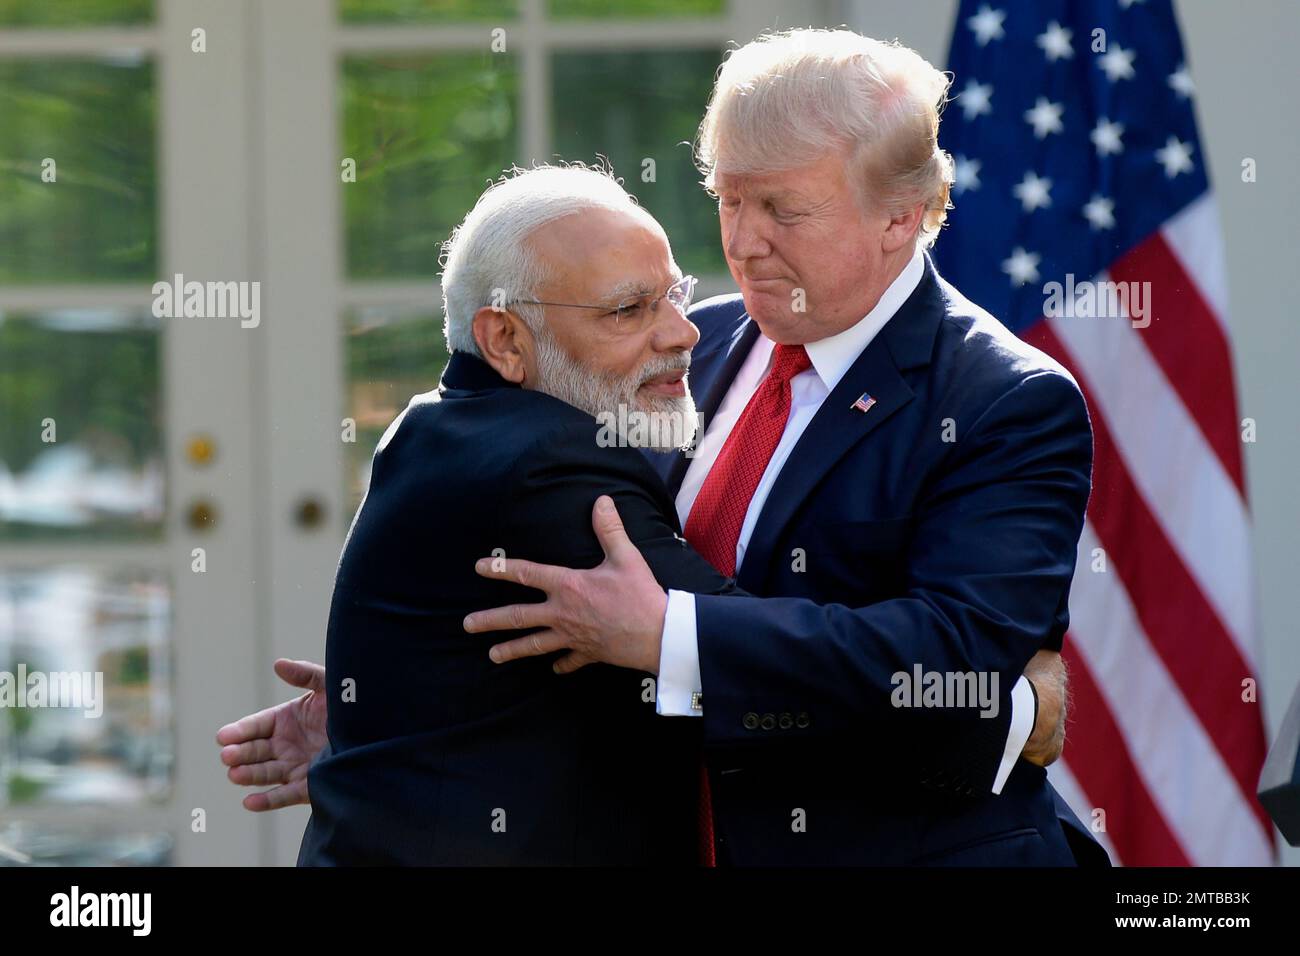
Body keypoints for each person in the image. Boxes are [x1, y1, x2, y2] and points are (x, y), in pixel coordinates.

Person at [218, 162, 1071, 865]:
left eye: (674, 293)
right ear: (505, 340)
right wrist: (1004, 715)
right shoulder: (548, 467)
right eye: (630, 310)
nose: (683, 334)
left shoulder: (442, 422)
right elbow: (727, 651)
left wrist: (401, 710)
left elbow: (627, 672)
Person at [463, 29, 1108, 866]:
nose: (743, 241)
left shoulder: (1008, 402)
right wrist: (391, 704)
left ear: (900, 215)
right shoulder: (693, 341)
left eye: (783, 209)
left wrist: (673, 636)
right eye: (728, 198)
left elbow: (950, 667)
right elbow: (556, 561)